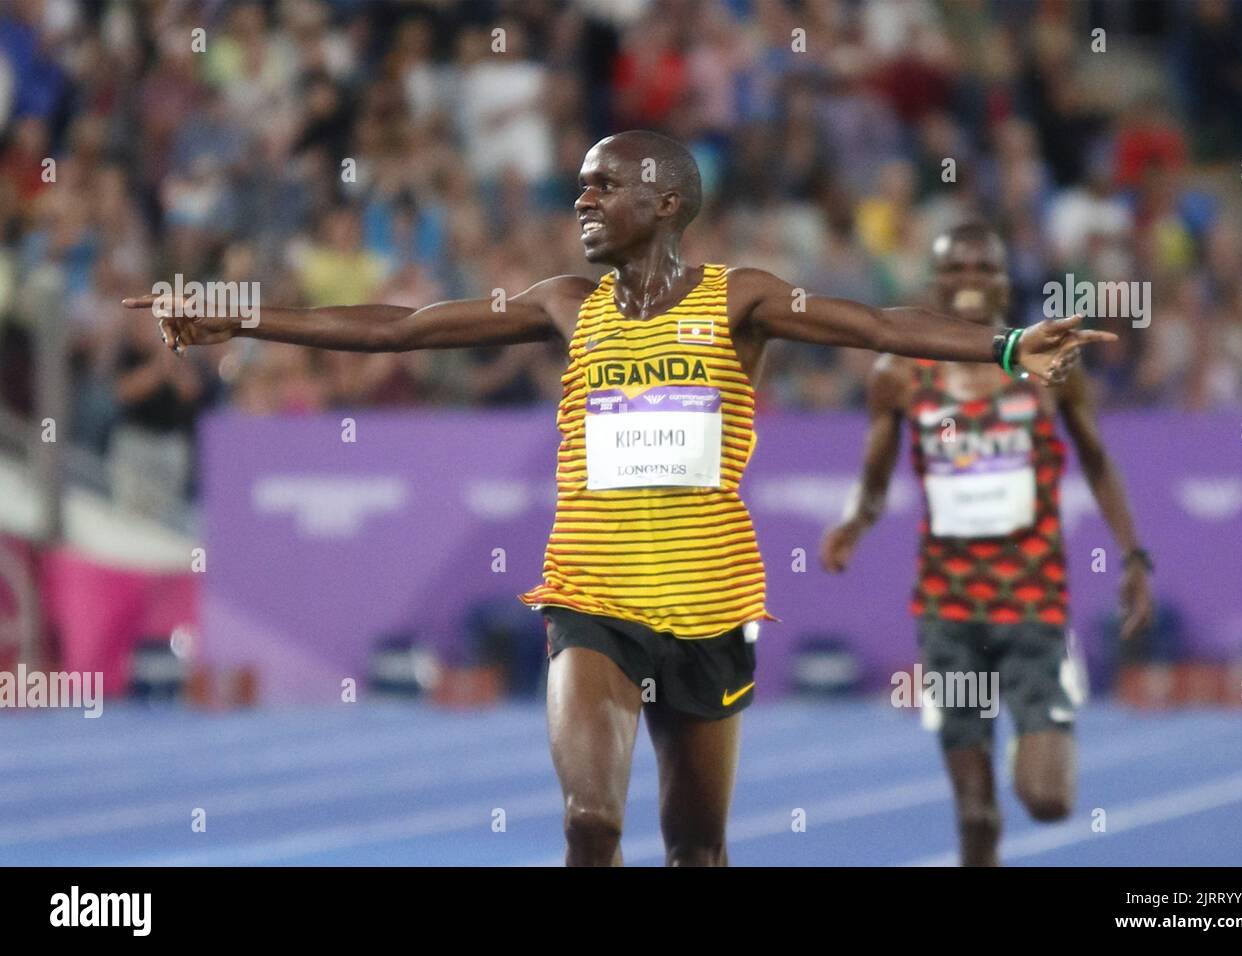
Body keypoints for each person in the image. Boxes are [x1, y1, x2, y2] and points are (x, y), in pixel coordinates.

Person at [126, 132, 1112, 867]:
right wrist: (238, 312)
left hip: (713, 600)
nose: (581, 195)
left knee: (696, 848)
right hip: (590, 593)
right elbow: (403, 329)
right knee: (591, 820)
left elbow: (875, 322)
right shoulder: (567, 302)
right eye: (580, 182)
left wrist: (1001, 345)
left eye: (605, 182)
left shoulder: (742, 297)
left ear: (669, 200)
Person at [820, 221, 1153, 866]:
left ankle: (1041, 722)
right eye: (957, 268)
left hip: (1034, 604)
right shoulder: (898, 374)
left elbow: (1098, 460)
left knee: (1047, 800)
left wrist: (1134, 554)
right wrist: (854, 524)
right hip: (948, 609)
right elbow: (874, 477)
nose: (971, 280)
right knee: (976, 815)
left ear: (1006, 280)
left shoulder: (1050, 364)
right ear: (934, 284)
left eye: (984, 268)